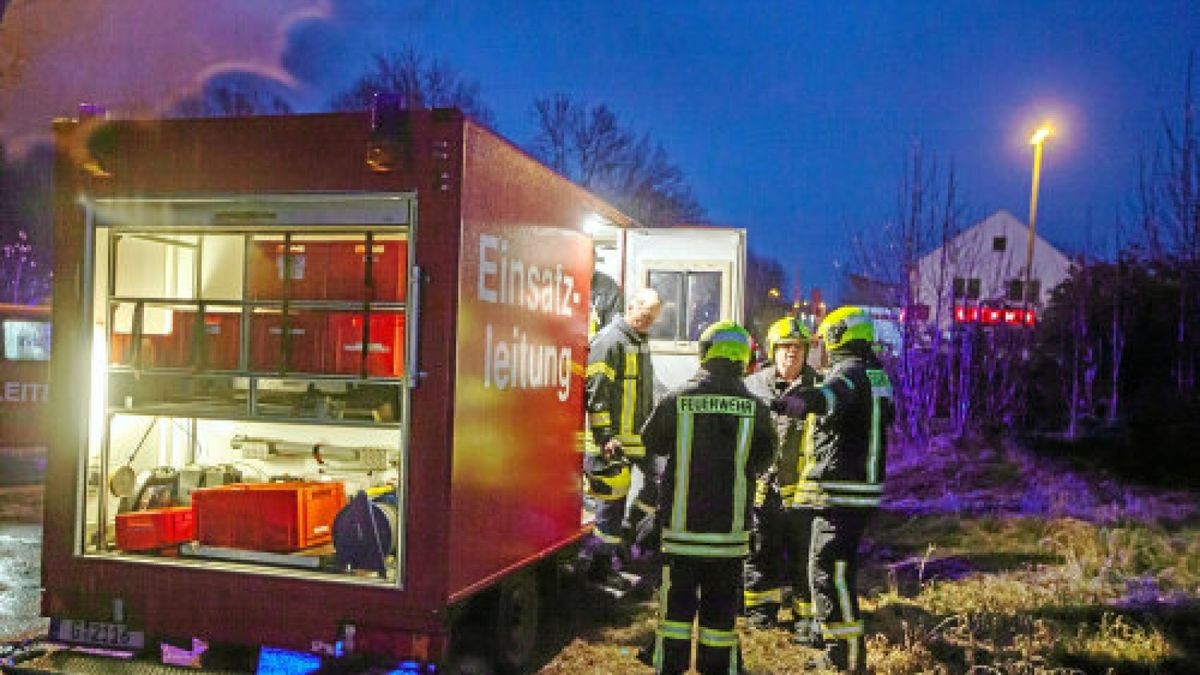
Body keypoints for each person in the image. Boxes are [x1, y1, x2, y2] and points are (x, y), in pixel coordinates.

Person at [640, 321, 777, 675]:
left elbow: (651, 443)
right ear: (744, 358)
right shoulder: (756, 409)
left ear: (704, 351)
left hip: (681, 535)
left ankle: (669, 668)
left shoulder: (677, 399)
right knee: (720, 621)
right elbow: (765, 459)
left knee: (674, 618)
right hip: (729, 539)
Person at [770, 306, 895, 673]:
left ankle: (844, 660)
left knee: (828, 573)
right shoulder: (876, 374)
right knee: (832, 571)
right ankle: (842, 654)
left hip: (843, 491)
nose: (822, 346)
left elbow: (830, 396)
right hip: (858, 489)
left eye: (825, 338)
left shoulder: (850, 372)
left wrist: (796, 401)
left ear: (840, 334)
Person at [741, 317, 821, 634]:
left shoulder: (819, 389)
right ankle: (761, 613)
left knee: (804, 557)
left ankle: (805, 618)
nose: (792, 354)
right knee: (759, 552)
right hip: (762, 490)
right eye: (786, 348)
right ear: (773, 351)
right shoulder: (752, 386)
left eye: (798, 348)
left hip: (802, 494)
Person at [583, 287, 663, 588]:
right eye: (643, 314)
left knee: (662, 481)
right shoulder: (609, 341)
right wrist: (605, 436)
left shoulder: (639, 341)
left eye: (652, 317)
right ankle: (599, 567)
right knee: (609, 506)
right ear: (631, 307)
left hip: (636, 439)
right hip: (611, 442)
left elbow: (646, 390)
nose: (646, 321)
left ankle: (627, 538)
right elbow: (596, 393)